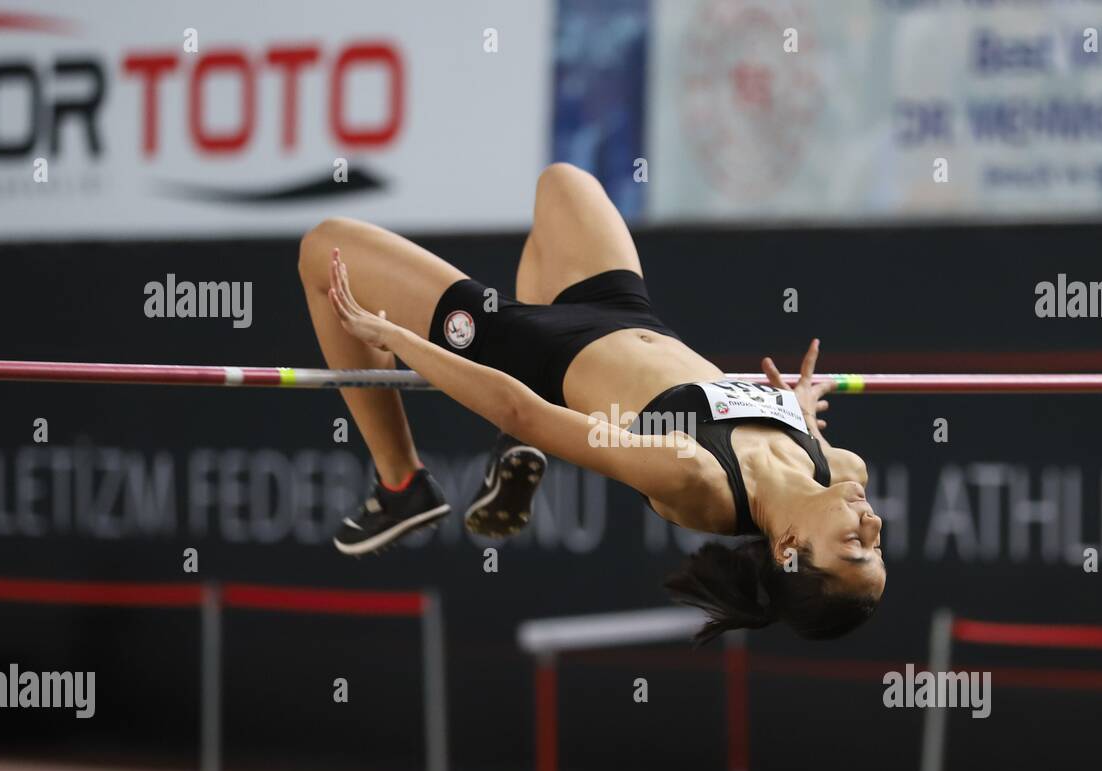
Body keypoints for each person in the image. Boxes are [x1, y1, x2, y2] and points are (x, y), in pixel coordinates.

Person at [297, 163, 884, 642]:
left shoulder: (697, 480)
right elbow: (790, 436)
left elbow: (519, 409)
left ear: (787, 548)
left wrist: (401, 341)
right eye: (878, 544)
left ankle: (401, 484)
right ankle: (513, 455)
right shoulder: (840, 466)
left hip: (531, 354)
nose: (872, 522)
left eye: (855, 546)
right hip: (619, 308)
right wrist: (798, 408)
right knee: (563, 183)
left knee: (323, 249)